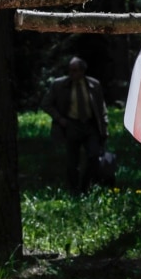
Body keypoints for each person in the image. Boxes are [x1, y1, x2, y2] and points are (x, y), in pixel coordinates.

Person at [41, 56, 108, 192]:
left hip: (90, 125)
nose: (72, 73)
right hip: (71, 125)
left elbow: (101, 107)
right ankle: (74, 190)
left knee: (93, 156)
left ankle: (86, 186)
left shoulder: (94, 84)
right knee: (72, 161)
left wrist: (104, 126)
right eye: (70, 70)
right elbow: (46, 104)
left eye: (76, 70)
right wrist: (59, 118)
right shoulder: (59, 85)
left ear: (83, 71)